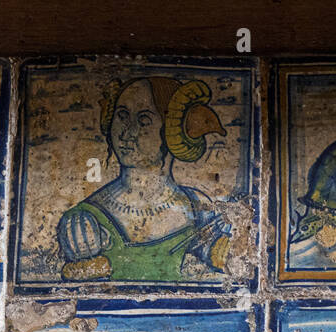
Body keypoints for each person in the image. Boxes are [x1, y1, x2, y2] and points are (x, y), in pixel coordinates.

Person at [57, 76, 229, 282]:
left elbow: (222, 264)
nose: (127, 133)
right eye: (121, 116)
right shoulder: (84, 220)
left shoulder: (198, 207)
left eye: (144, 120)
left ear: (174, 132)